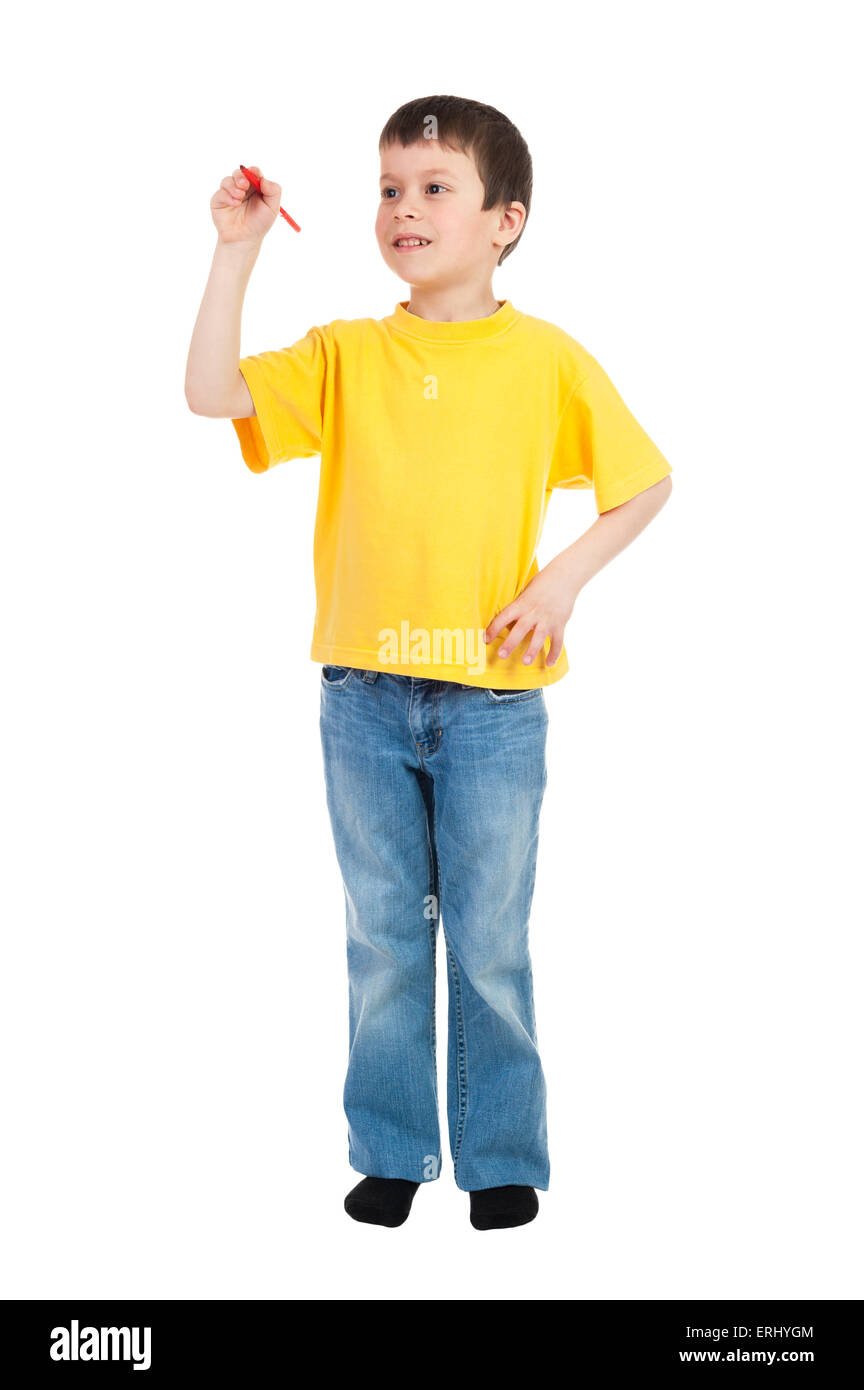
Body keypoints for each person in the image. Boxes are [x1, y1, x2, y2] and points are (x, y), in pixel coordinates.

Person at [185, 94, 673, 1231]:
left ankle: (503, 1154)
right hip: (362, 693)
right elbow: (212, 394)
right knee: (384, 934)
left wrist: (559, 583)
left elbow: (645, 482)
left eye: (434, 187)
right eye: (390, 187)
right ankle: (392, 1148)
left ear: (506, 220)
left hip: (496, 704)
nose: (404, 207)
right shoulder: (351, 355)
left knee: (492, 937)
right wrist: (235, 256)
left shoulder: (547, 359)